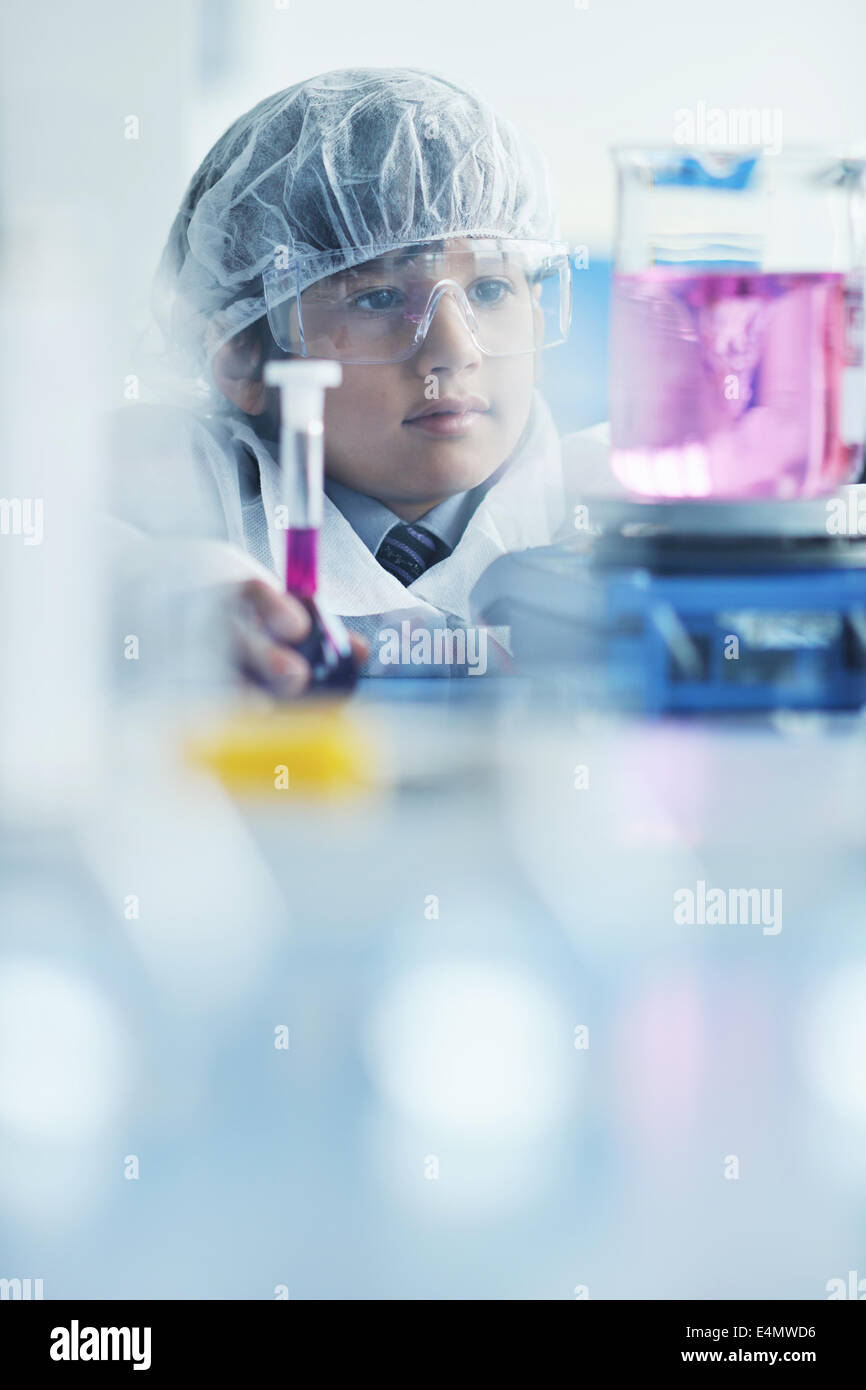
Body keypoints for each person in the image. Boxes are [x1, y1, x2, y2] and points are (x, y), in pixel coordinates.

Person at [109, 67, 576, 690]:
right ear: (240, 356)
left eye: (490, 289)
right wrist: (178, 593)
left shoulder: (597, 505)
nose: (454, 352)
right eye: (379, 299)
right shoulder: (178, 485)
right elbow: (64, 559)